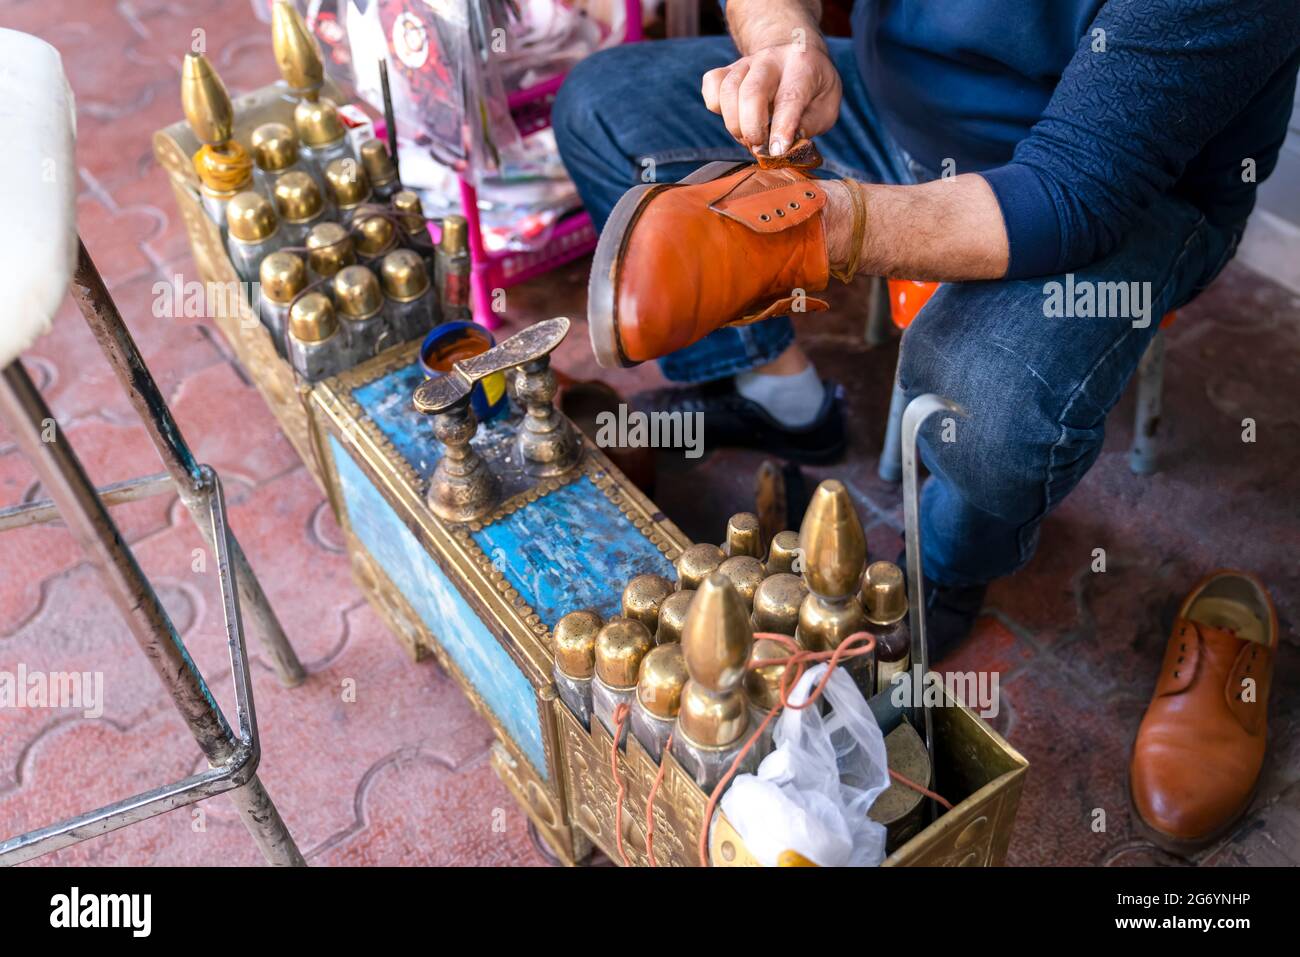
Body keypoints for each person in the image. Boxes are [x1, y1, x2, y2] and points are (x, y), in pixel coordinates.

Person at [552, 0, 1297, 856]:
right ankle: (782, 399)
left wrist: (817, 230)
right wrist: (783, 39)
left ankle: (942, 568)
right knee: (602, 105)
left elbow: (1073, 191)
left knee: (978, 392)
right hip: (904, 111)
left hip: (1121, 184)